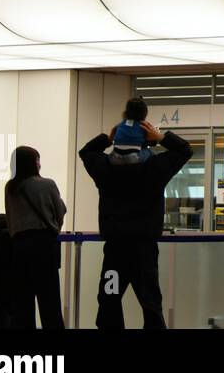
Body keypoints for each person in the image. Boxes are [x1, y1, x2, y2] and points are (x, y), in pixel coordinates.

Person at [79, 118, 193, 328]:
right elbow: (185, 150)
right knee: (150, 303)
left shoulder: (105, 169)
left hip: (115, 252)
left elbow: (86, 152)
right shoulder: (155, 169)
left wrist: (107, 138)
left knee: (109, 301)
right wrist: (161, 137)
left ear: (118, 143)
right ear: (144, 144)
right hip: (144, 251)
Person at [4, 146, 67, 329]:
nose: (40, 163)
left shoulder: (11, 187)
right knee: (50, 302)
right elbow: (59, 212)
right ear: (33, 163)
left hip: (19, 249)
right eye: (37, 159)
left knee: (22, 304)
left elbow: (10, 218)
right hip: (44, 247)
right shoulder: (47, 184)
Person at [110, 96, 153, 165]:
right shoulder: (144, 125)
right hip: (133, 158)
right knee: (150, 152)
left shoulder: (121, 124)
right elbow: (152, 142)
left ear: (126, 111)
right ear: (144, 112)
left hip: (114, 158)